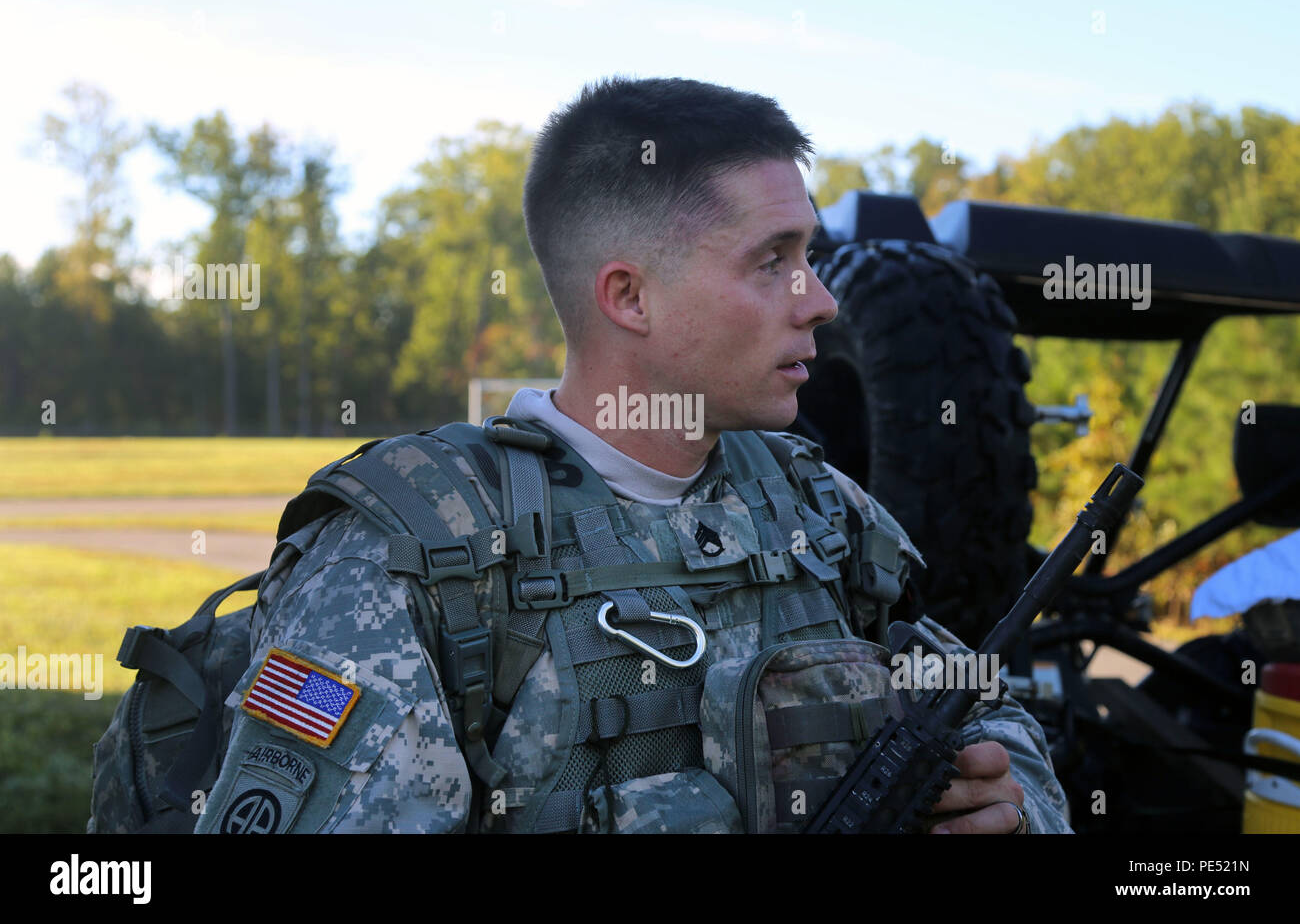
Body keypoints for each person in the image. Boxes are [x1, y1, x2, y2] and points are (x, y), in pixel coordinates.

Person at [194, 76, 1071, 834]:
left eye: (810, 255)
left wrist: (1008, 799)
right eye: (774, 261)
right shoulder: (411, 552)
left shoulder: (820, 510)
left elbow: (981, 698)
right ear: (629, 296)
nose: (823, 301)